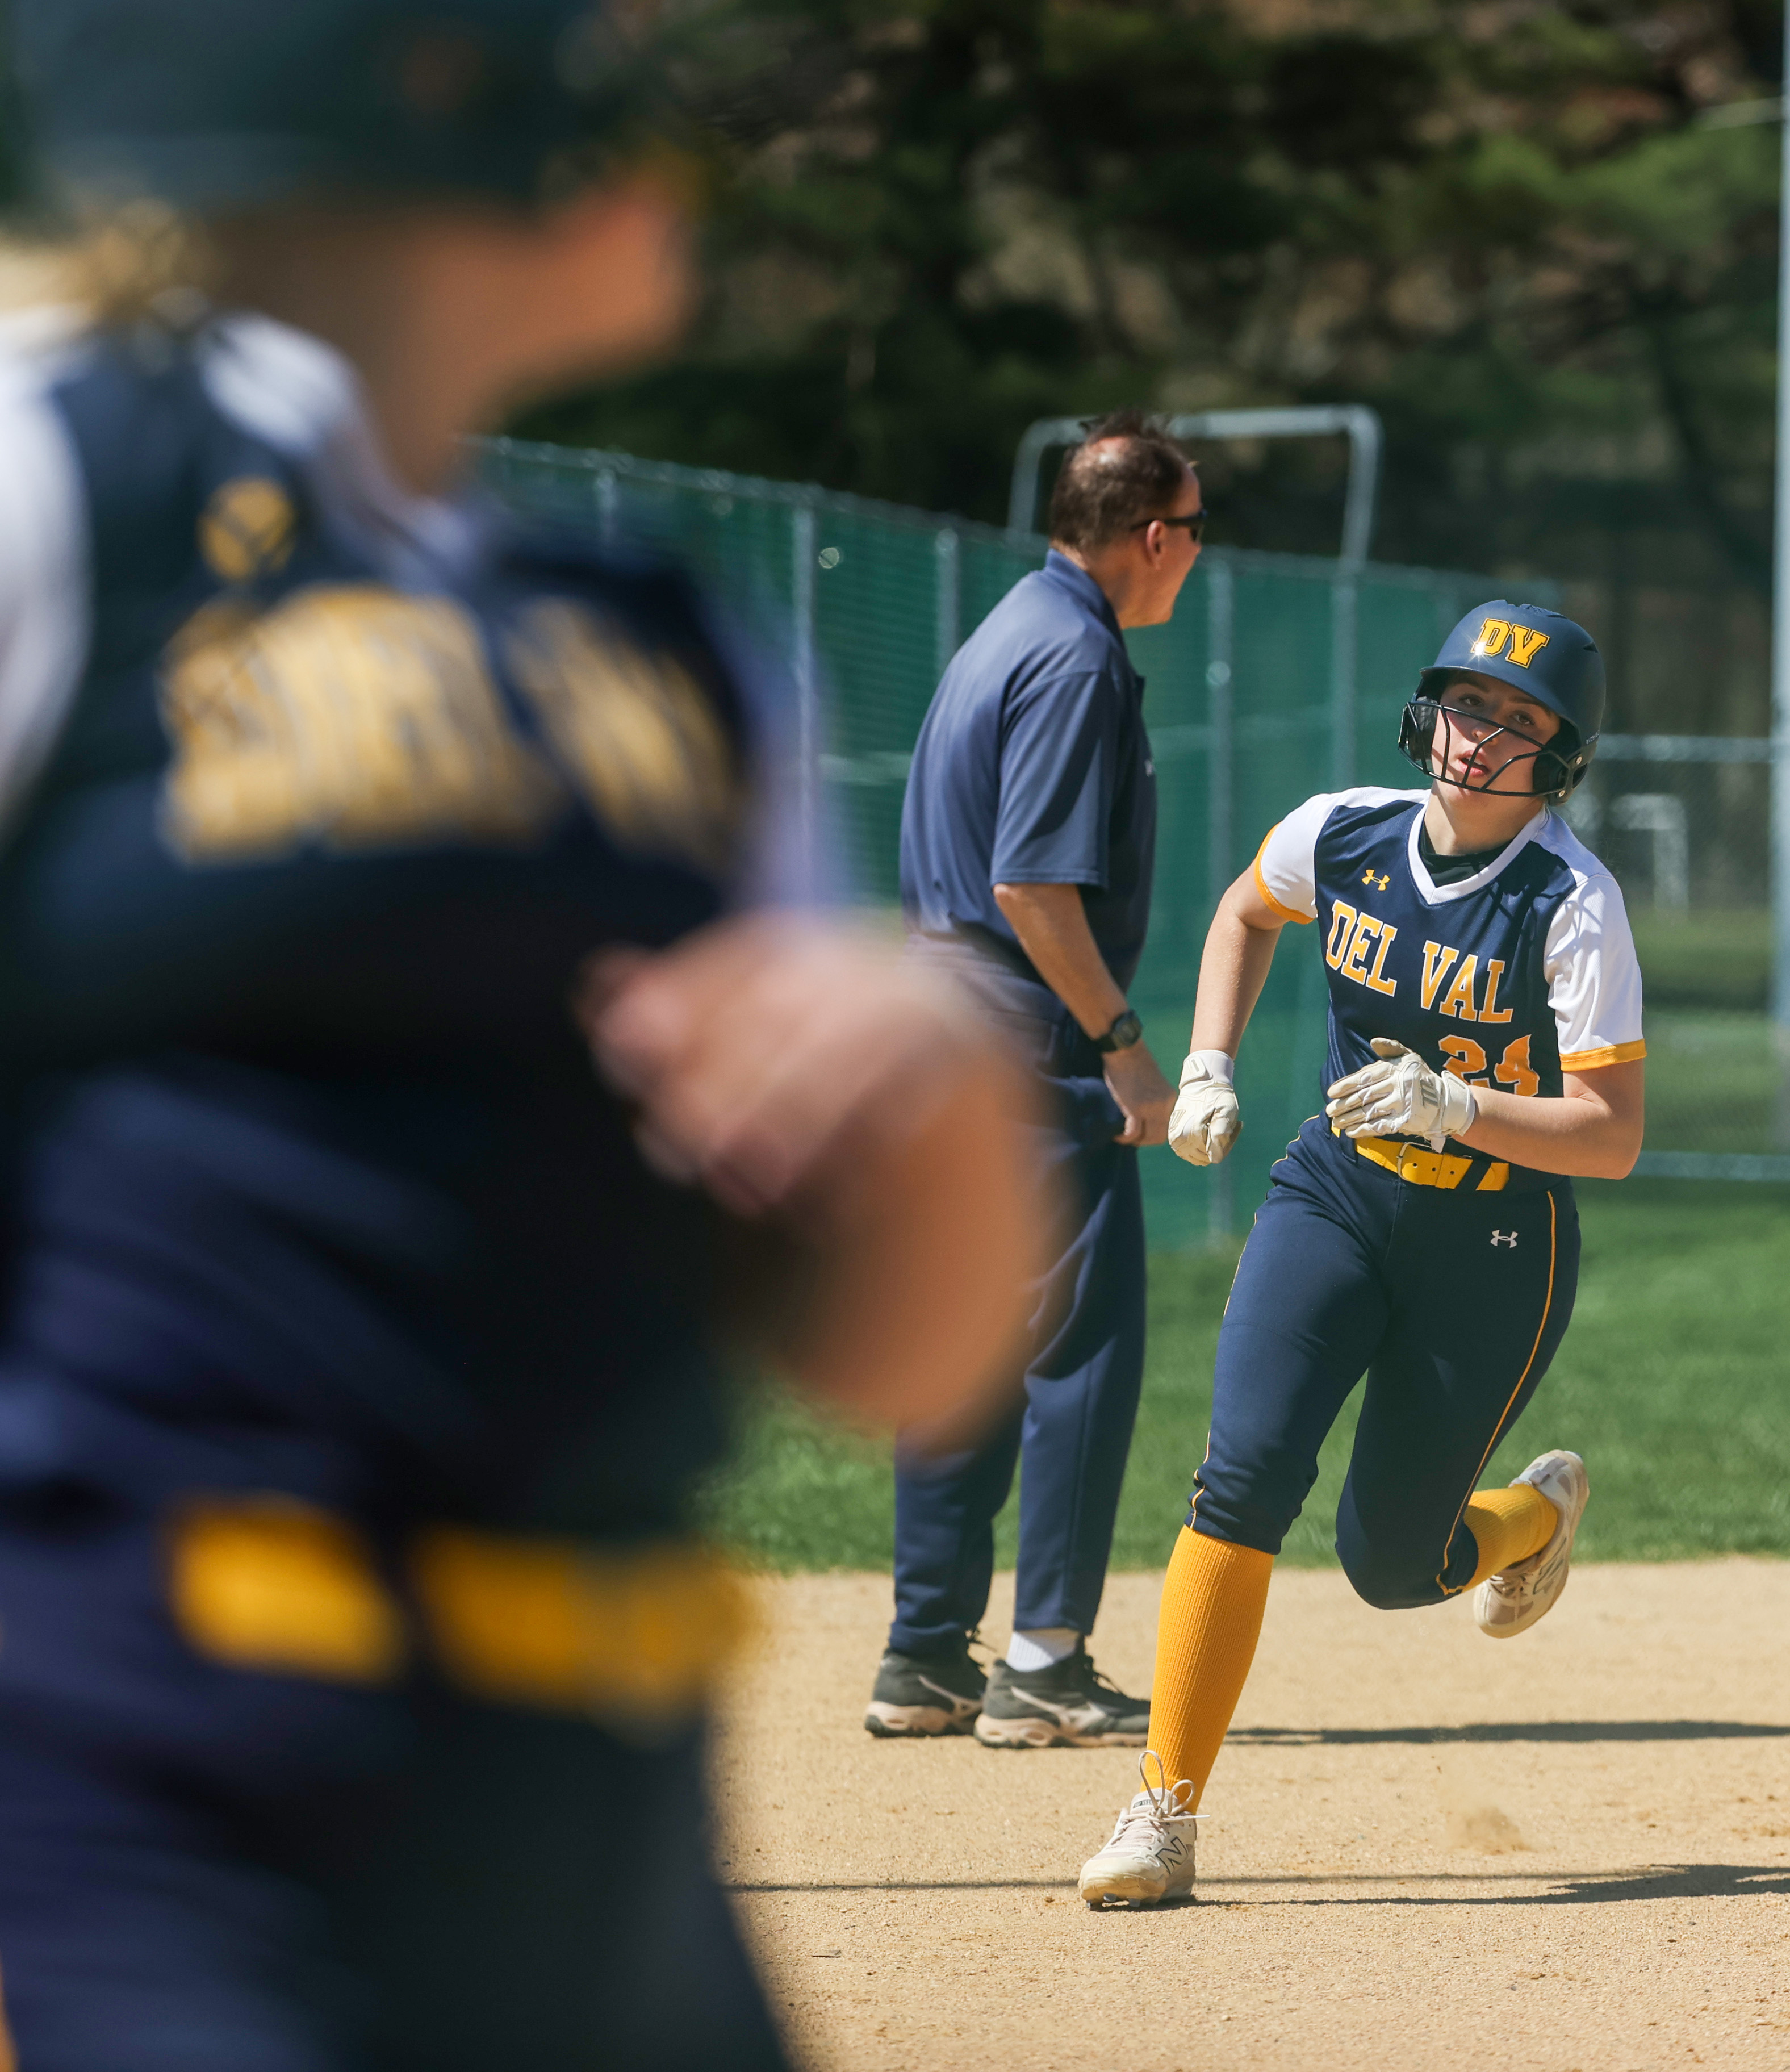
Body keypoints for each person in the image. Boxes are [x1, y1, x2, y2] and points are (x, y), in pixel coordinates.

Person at [0, 2, 1037, 2066]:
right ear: (407, 94)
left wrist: (934, 1082)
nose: (663, 148)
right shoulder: (55, 485)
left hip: (603, 1786)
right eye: (585, 75)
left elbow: (889, 1352)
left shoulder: (650, 624)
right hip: (168, 1744)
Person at [1074, 599, 1646, 1908]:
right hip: (1334, 1195)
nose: (1478, 735)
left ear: (1562, 759)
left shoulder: (1573, 901)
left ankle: (1535, 1515)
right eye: (1466, 702)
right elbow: (1241, 911)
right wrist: (1209, 1062)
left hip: (1492, 1238)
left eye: (1519, 720)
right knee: (1242, 1476)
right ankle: (1163, 1811)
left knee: (1394, 1565)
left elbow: (1610, 1138)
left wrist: (1458, 1104)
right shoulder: (1343, 832)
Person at [869, 413, 1197, 1749]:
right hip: (1023, 1038)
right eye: (1195, 533)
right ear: (1158, 537)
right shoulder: (1075, 658)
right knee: (1083, 1346)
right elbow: (1030, 882)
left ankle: (925, 1653)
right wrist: (1124, 1045)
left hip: (947, 1029)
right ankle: (1047, 1665)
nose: (1194, 560)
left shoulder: (1014, 621)